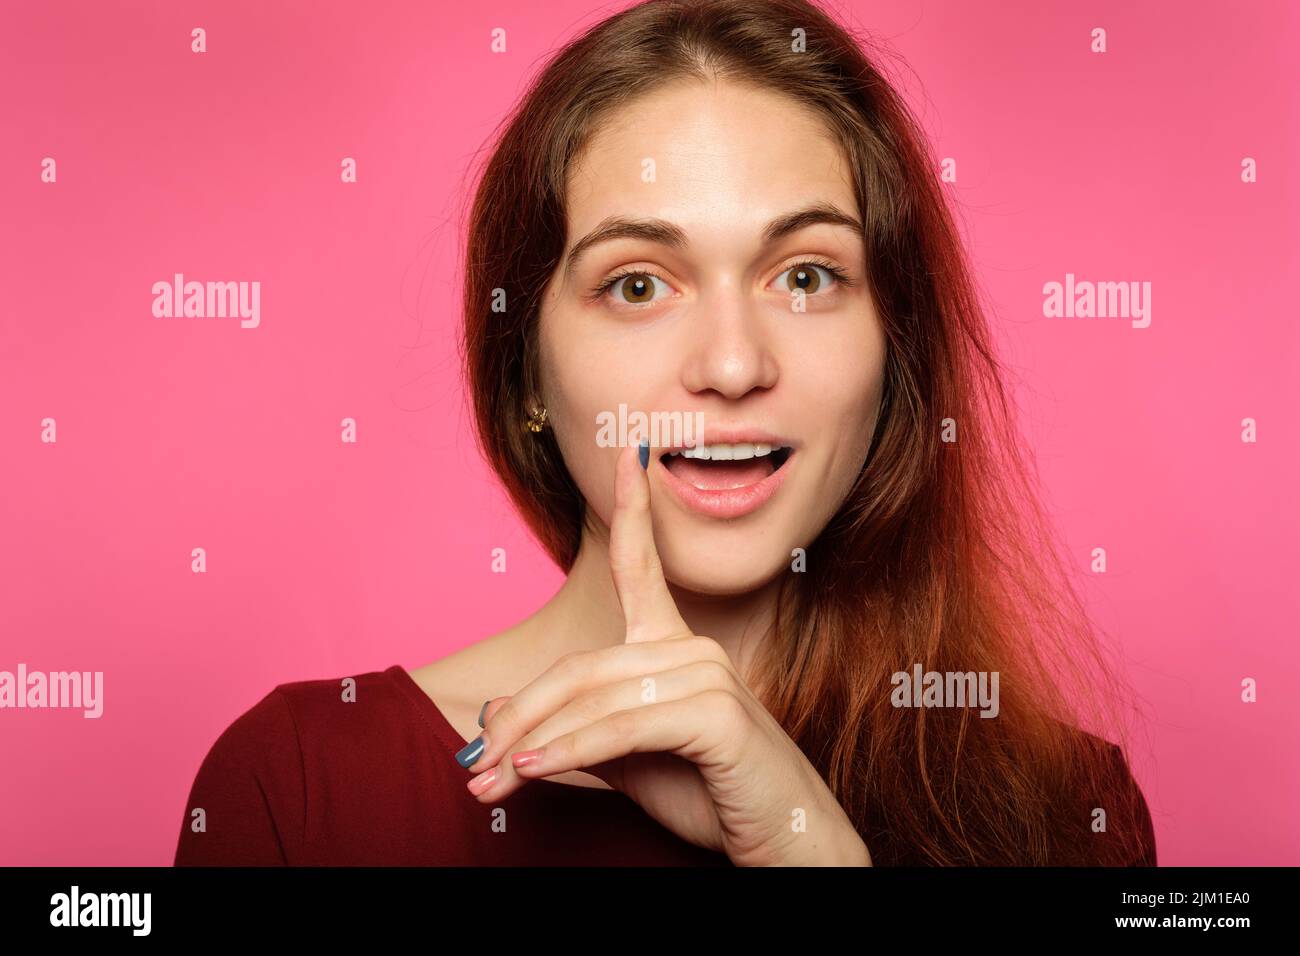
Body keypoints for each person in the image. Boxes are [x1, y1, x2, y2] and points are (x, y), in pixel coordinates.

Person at [175, 0, 1156, 867]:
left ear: (894, 353)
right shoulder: (303, 790)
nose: (731, 366)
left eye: (805, 276)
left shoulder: (1071, 815)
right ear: (524, 373)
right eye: (638, 284)